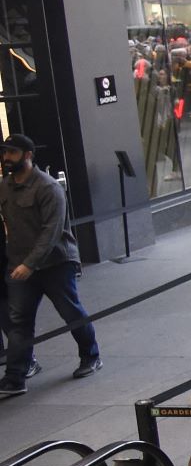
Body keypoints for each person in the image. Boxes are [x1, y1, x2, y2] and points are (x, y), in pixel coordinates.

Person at [0, 134, 98, 395]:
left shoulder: (48, 187)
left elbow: (51, 232)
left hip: (56, 263)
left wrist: (29, 264)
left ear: (28, 155)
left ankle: (91, 356)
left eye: (12, 153)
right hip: (20, 264)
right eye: (5, 153)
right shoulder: (5, 186)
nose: (7, 158)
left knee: (71, 313)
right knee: (19, 321)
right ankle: (15, 378)